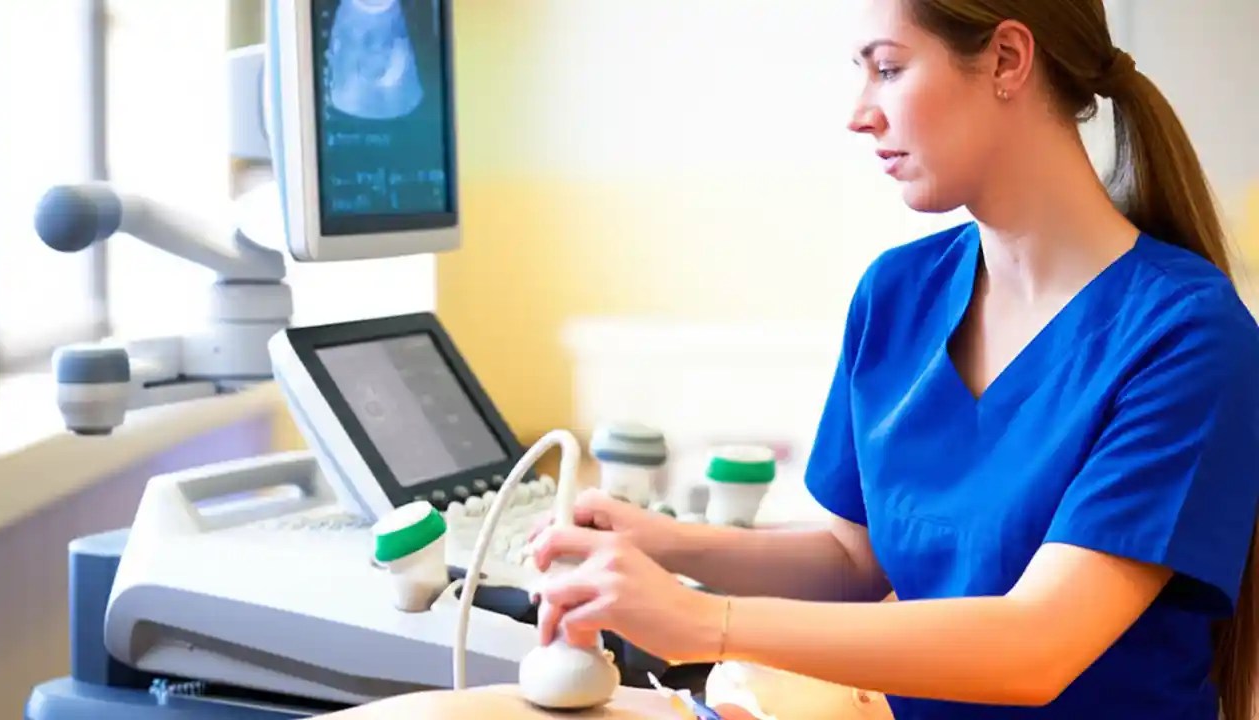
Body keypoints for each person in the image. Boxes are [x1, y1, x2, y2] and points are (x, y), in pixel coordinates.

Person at [527, 0, 1259, 718]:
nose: (859, 113)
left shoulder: (1185, 335)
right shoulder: (898, 293)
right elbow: (855, 562)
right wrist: (663, 543)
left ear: (1007, 58)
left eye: (888, 69)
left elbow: (1037, 645)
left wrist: (702, 619)